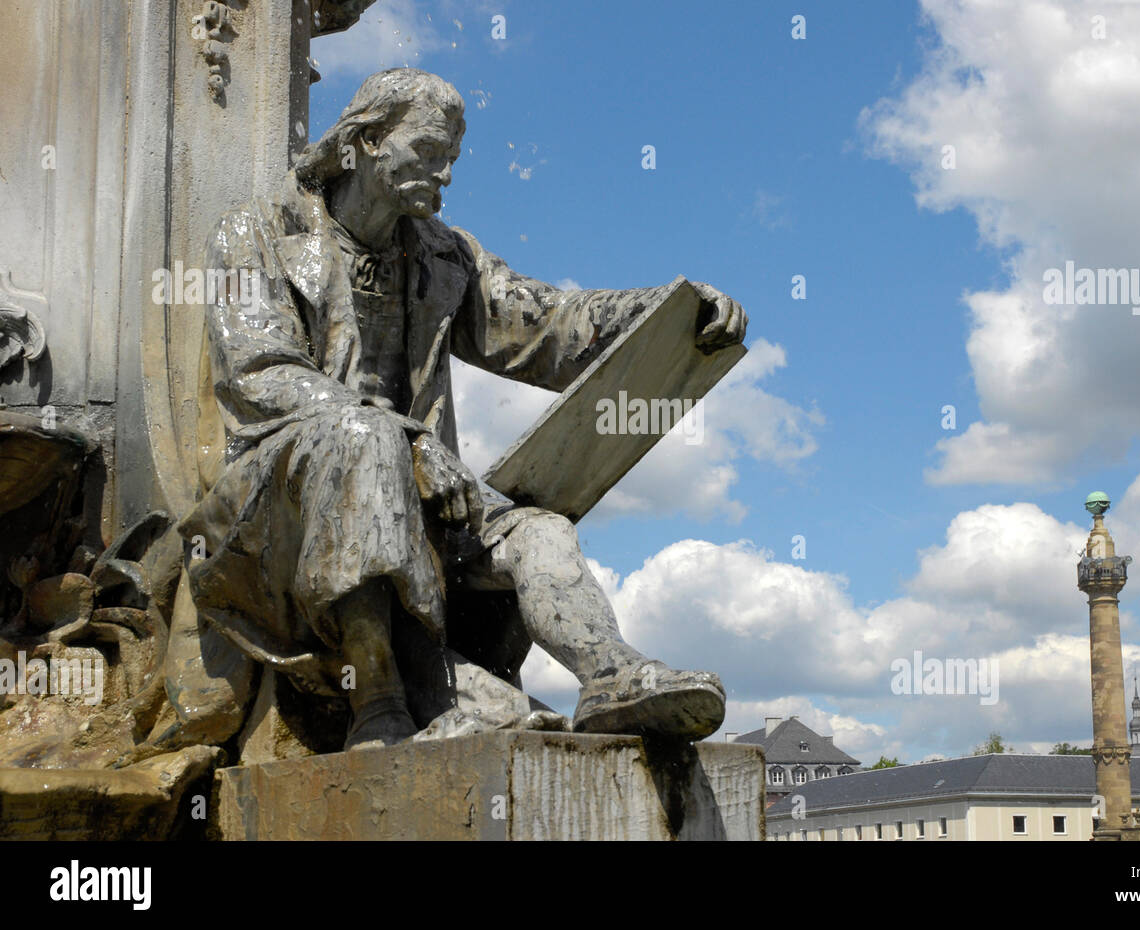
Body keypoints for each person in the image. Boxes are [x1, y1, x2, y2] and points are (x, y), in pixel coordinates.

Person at [180, 68, 747, 750]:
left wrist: (667, 311)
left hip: (412, 488)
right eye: (427, 151)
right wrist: (408, 437)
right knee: (366, 439)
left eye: (450, 156)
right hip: (282, 507)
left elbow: (549, 325)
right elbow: (260, 372)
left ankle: (610, 676)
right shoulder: (255, 233)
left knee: (538, 531)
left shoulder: (446, 254)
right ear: (363, 142)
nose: (444, 173)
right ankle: (379, 703)